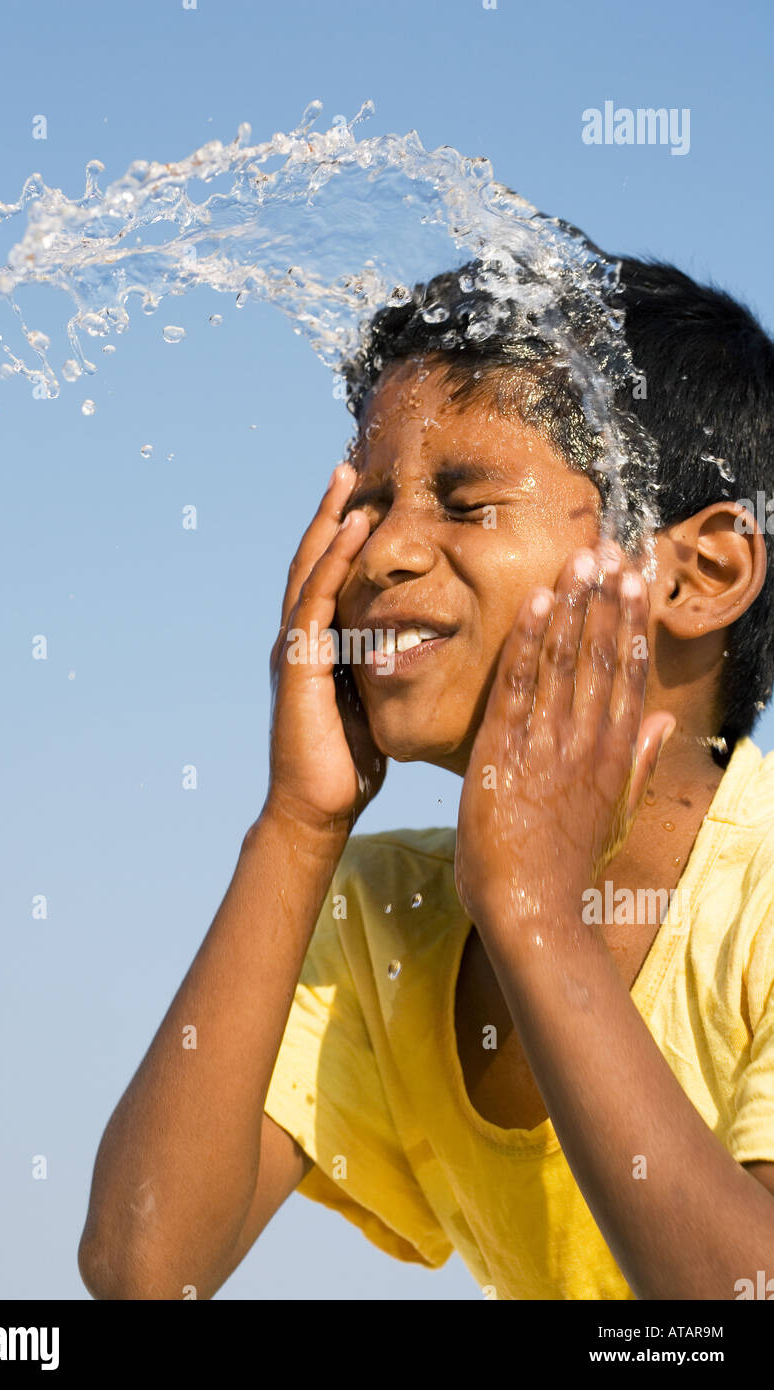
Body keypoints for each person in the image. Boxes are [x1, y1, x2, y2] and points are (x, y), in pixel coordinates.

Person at [77, 241, 774, 1301]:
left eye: (463, 501)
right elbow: (142, 1269)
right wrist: (298, 825)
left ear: (702, 571)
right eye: (368, 501)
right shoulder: (385, 920)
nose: (378, 553)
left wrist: (534, 918)